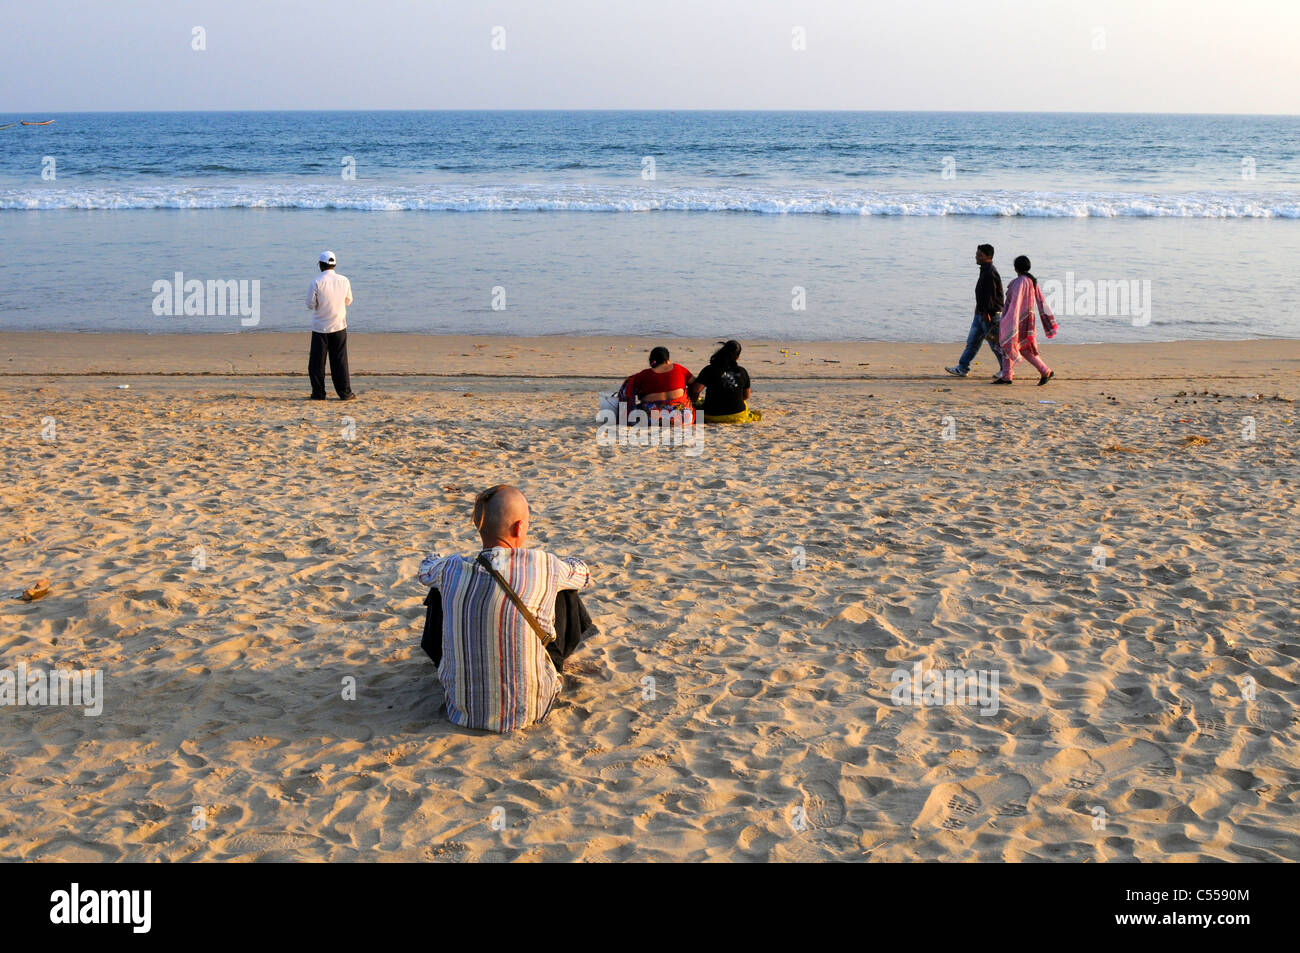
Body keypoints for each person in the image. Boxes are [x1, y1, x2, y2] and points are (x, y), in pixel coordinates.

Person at [416, 485, 593, 733]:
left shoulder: (452, 568)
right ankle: (551, 667)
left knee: (438, 590)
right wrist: (567, 564)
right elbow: (584, 574)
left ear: (479, 526)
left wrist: (438, 558)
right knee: (565, 593)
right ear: (519, 527)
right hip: (532, 711)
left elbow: (424, 571)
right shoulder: (544, 565)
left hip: (462, 713)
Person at [993, 255, 1057, 385]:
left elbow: (1015, 303)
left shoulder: (1020, 282)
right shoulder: (1031, 281)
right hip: (1027, 319)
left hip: (1017, 319)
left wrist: (1009, 320)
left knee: (1015, 345)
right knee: (1015, 346)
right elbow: (1038, 300)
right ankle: (1007, 376)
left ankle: (1045, 371)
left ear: (1016, 268)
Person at [946, 244, 1004, 379]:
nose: (976, 257)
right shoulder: (985, 270)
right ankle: (962, 367)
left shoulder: (990, 272)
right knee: (972, 341)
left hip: (989, 315)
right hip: (981, 314)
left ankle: (1006, 369)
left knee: (995, 344)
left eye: (980, 255)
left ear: (988, 257)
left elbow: (991, 296)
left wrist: (986, 314)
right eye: (977, 254)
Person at [306, 251, 356, 401]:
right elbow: (349, 300)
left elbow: (310, 304)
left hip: (320, 327)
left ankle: (319, 393)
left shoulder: (316, 282)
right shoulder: (344, 280)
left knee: (317, 363)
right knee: (340, 361)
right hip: (339, 325)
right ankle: (345, 393)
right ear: (334, 265)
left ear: (321, 265)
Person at [689, 339, 761, 423]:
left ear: (722, 352)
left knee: (698, 406)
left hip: (712, 415)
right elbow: (746, 396)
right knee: (744, 405)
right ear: (737, 357)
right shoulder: (742, 371)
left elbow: (696, 390)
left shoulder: (709, 369)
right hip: (738, 415)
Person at [624, 346, 696, 425]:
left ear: (652, 362)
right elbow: (694, 384)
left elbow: (628, 389)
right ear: (668, 361)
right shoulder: (679, 368)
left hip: (652, 417)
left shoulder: (643, 374)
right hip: (682, 417)